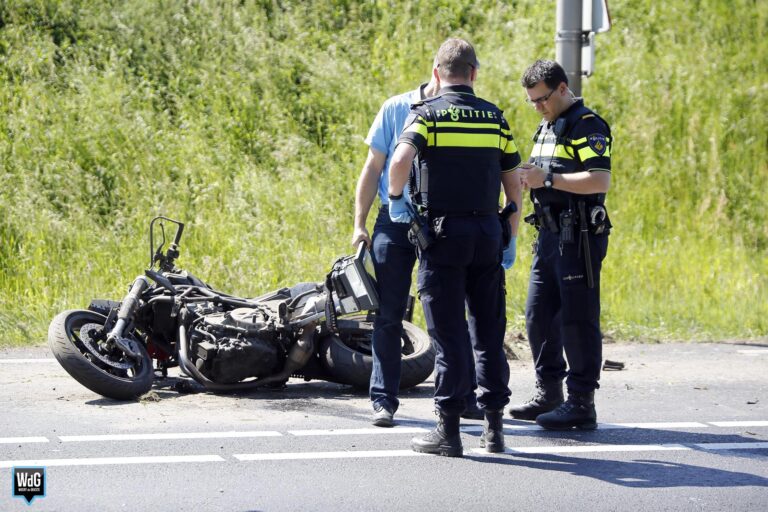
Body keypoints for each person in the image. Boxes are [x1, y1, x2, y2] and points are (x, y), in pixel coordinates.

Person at [387, 38, 523, 456]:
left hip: (443, 239)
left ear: (436, 73)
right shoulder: (494, 118)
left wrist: (396, 200)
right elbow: (513, 182)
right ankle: (494, 429)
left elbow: (399, 160)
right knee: (488, 332)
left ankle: (448, 432)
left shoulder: (426, 116)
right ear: (474, 74)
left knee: (448, 336)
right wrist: (511, 237)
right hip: (486, 235)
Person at [353, 64, 488, 428]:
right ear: (436, 73)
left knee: (450, 309)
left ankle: (465, 395)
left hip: (440, 221)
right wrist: (359, 224)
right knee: (389, 311)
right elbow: (373, 167)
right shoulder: (396, 108)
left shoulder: (457, 113)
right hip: (395, 220)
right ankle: (383, 400)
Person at [512, 59, 613, 430]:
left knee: (577, 320)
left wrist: (548, 179)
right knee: (538, 316)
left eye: (541, 99)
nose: (538, 106)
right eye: (532, 102)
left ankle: (581, 401)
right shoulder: (547, 125)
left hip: (579, 237)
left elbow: (599, 180)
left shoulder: (587, 125)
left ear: (562, 88)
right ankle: (549, 392)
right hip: (549, 235)